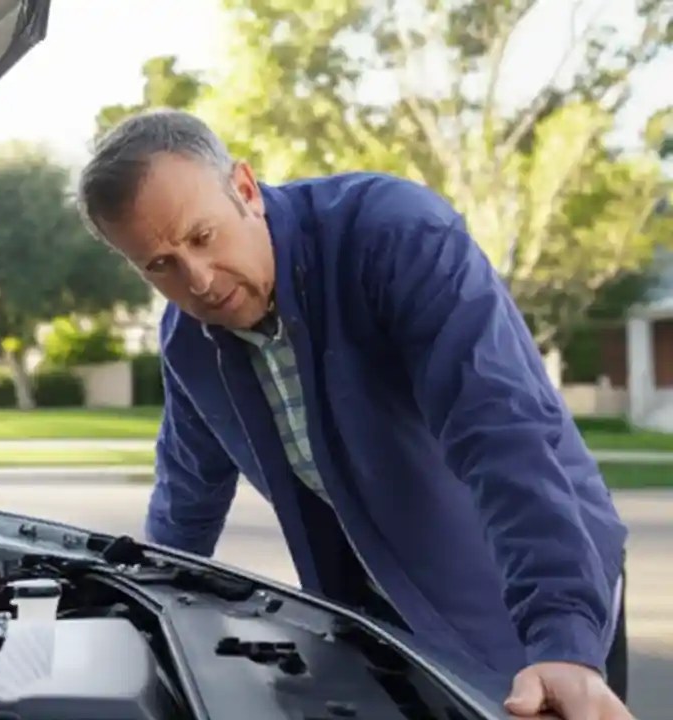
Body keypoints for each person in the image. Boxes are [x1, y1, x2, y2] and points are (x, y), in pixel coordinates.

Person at [76, 109, 631, 720]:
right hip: (380, 626)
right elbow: (187, 493)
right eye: (159, 265)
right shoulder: (188, 340)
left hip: (532, 604)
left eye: (202, 237)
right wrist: (136, 610)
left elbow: (502, 435)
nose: (198, 280)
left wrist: (562, 639)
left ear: (245, 189)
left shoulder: (396, 236)